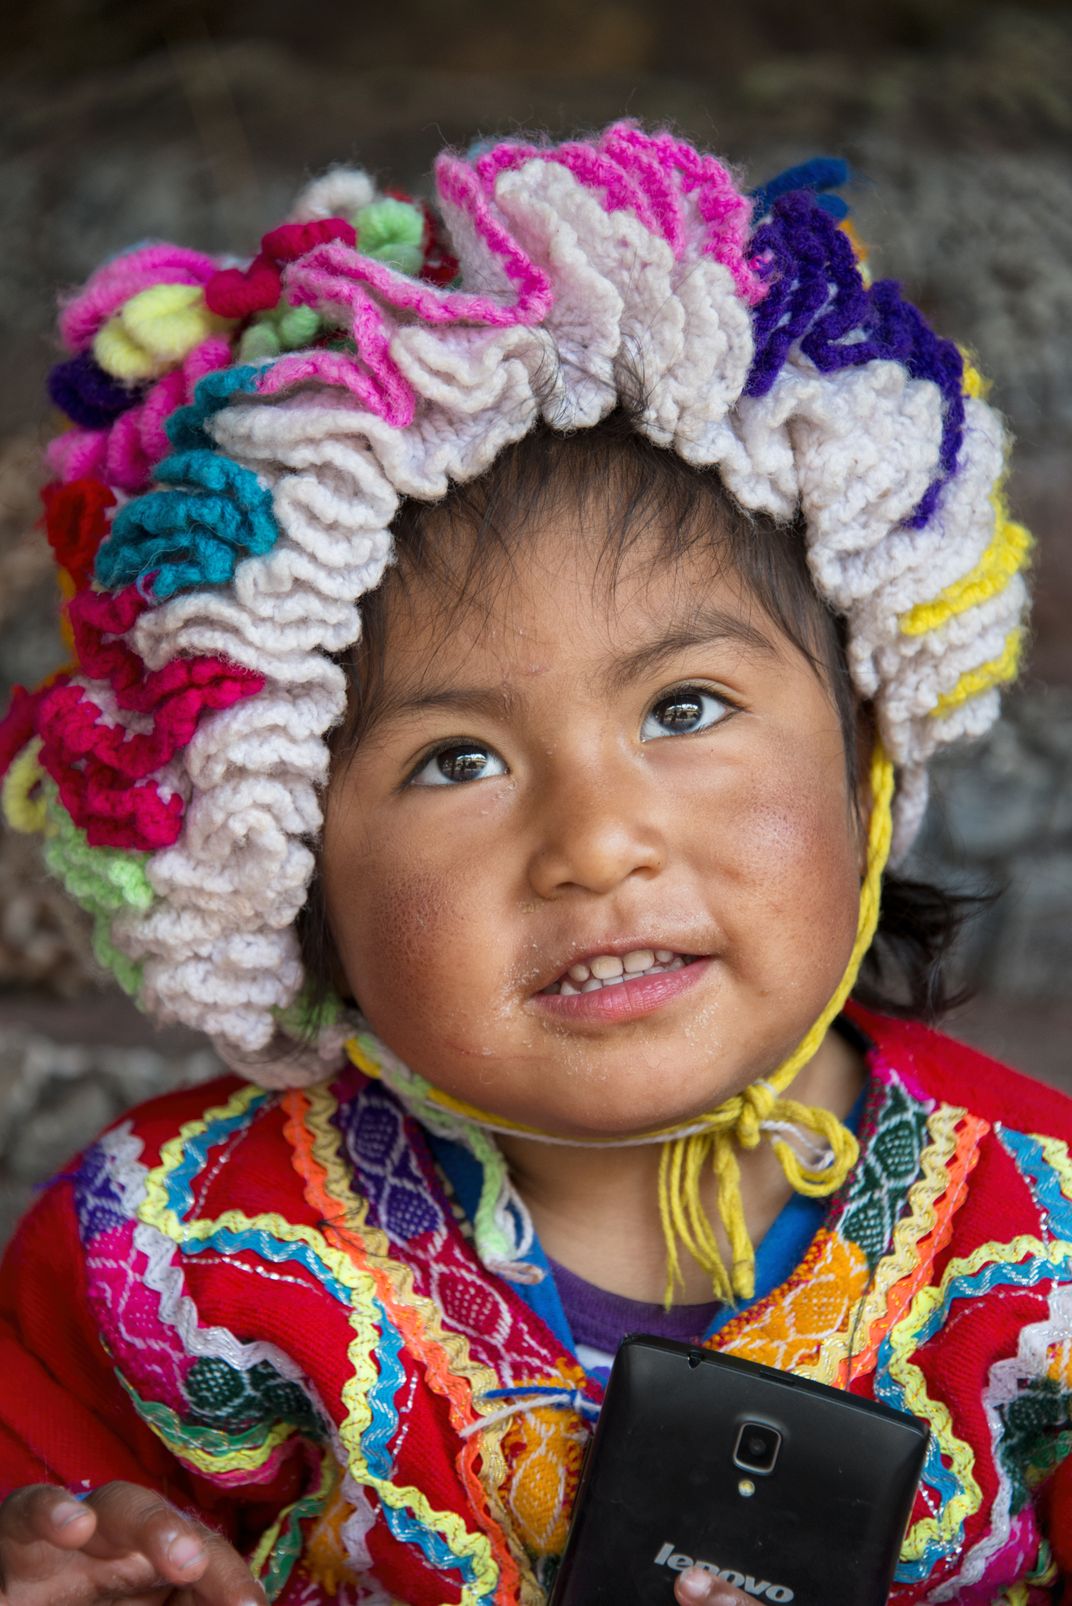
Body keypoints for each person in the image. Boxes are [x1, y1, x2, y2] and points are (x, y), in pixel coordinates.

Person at [0, 122, 1068, 1606]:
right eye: (455, 760)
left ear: (870, 748)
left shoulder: (1050, 1234)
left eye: (684, 710)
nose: (596, 841)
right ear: (282, 858)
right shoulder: (164, 1261)